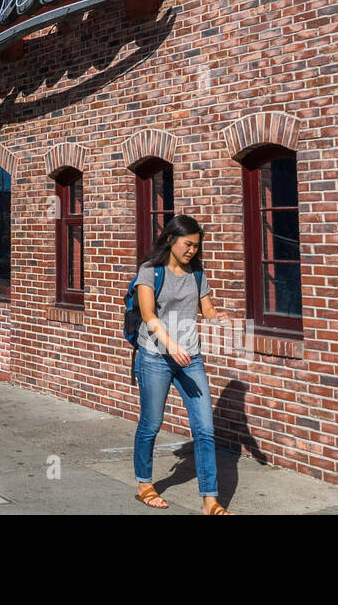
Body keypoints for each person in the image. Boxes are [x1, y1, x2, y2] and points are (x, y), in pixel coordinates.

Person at [132, 214, 233, 516]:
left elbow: (207, 308)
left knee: (205, 428)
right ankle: (144, 484)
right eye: (188, 245)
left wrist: (218, 317)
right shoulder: (150, 271)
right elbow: (149, 315)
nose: (192, 251)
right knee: (151, 423)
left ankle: (210, 501)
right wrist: (170, 345)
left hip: (191, 359)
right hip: (154, 356)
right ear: (170, 240)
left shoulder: (197, 274)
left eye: (196, 247)